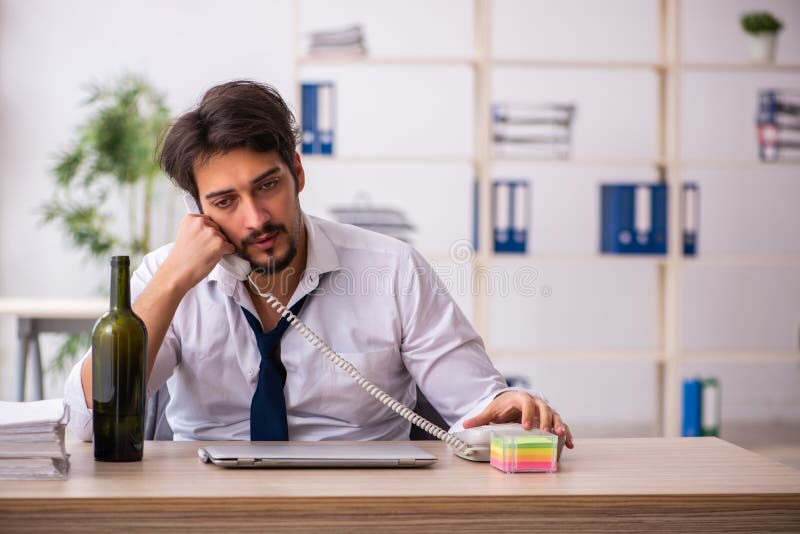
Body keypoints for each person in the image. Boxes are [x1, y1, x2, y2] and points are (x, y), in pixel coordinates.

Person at [64, 80, 573, 449]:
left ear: (298, 172)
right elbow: (85, 423)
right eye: (225, 202)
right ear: (199, 212)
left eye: (267, 185)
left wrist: (510, 410)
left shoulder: (394, 270)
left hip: (365, 509)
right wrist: (174, 282)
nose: (256, 217)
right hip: (209, 508)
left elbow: (478, 410)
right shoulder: (169, 276)